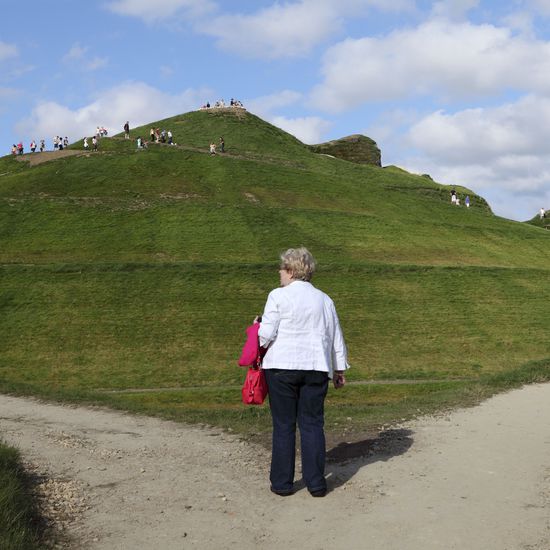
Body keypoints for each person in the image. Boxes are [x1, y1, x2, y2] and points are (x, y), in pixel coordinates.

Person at [257, 247, 349, 498]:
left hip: (281, 367)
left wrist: (257, 327)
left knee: (284, 425)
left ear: (290, 270)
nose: (279, 272)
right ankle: (316, 483)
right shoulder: (324, 299)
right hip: (316, 366)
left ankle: (282, 483)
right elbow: (335, 337)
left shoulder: (278, 296)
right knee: (312, 424)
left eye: (281, 268)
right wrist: (339, 369)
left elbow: (265, 337)